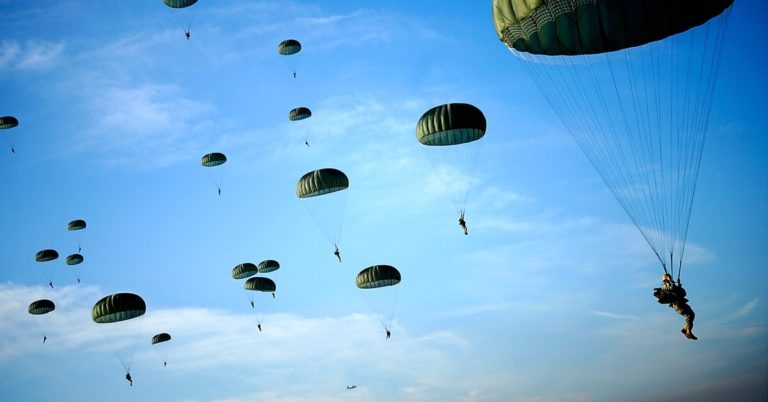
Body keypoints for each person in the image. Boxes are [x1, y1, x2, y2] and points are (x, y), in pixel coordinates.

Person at [654, 273, 697, 340]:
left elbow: (682, 293)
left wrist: (679, 285)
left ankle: (686, 329)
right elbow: (672, 289)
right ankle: (688, 331)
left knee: (690, 314)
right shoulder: (665, 286)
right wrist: (671, 282)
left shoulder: (669, 285)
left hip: (679, 303)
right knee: (689, 315)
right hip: (677, 304)